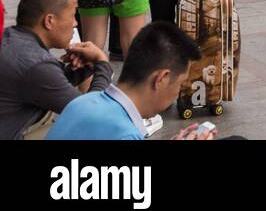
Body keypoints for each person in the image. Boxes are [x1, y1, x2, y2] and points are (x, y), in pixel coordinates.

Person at [47, 22, 211, 141]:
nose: (177, 94)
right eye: (180, 84)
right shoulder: (125, 134)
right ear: (162, 78)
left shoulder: (82, 102)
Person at [0, 0, 114, 140]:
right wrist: (103, 64)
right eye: (73, 15)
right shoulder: (37, 65)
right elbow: (90, 115)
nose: (75, 23)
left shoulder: (11, 36)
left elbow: (45, 86)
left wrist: (85, 68)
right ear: (49, 21)